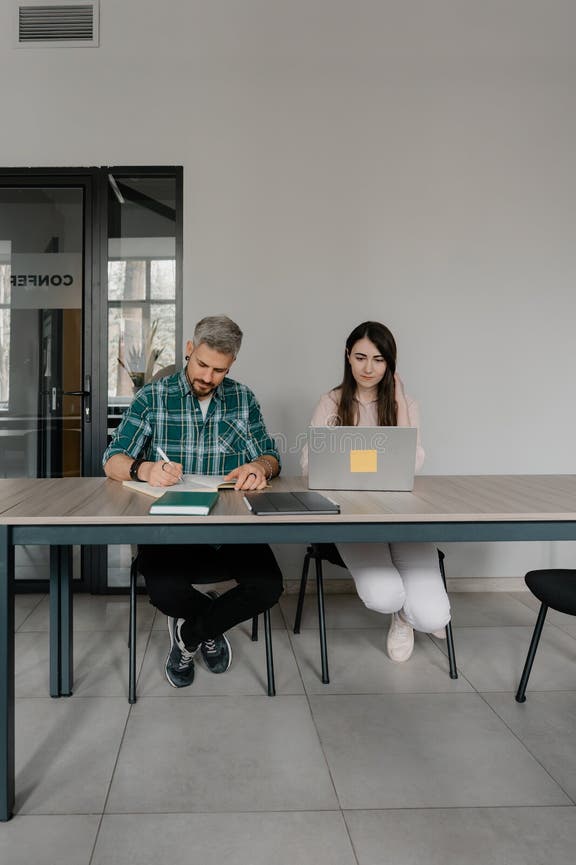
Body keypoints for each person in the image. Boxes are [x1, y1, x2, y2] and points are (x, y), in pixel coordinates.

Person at [103, 315, 283, 687]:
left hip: (230, 530)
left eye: (219, 370)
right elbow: (111, 460)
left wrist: (260, 466)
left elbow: (271, 455)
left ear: (230, 365)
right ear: (189, 350)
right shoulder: (153, 398)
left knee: (269, 586)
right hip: (172, 530)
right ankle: (210, 627)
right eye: (202, 364)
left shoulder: (242, 398)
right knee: (164, 591)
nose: (207, 377)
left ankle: (189, 635)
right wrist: (143, 469)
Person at [301, 320, 450, 662]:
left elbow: (412, 464)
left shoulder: (406, 403)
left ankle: (407, 617)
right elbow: (310, 466)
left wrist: (397, 403)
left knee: (435, 618)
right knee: (383, 596)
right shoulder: (331, 402)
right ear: (348, 357)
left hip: (403, 514)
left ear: (390, 363)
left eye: (379, 359)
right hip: (352, 517)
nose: (369, 368)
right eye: (361, 357)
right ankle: (399, 611)